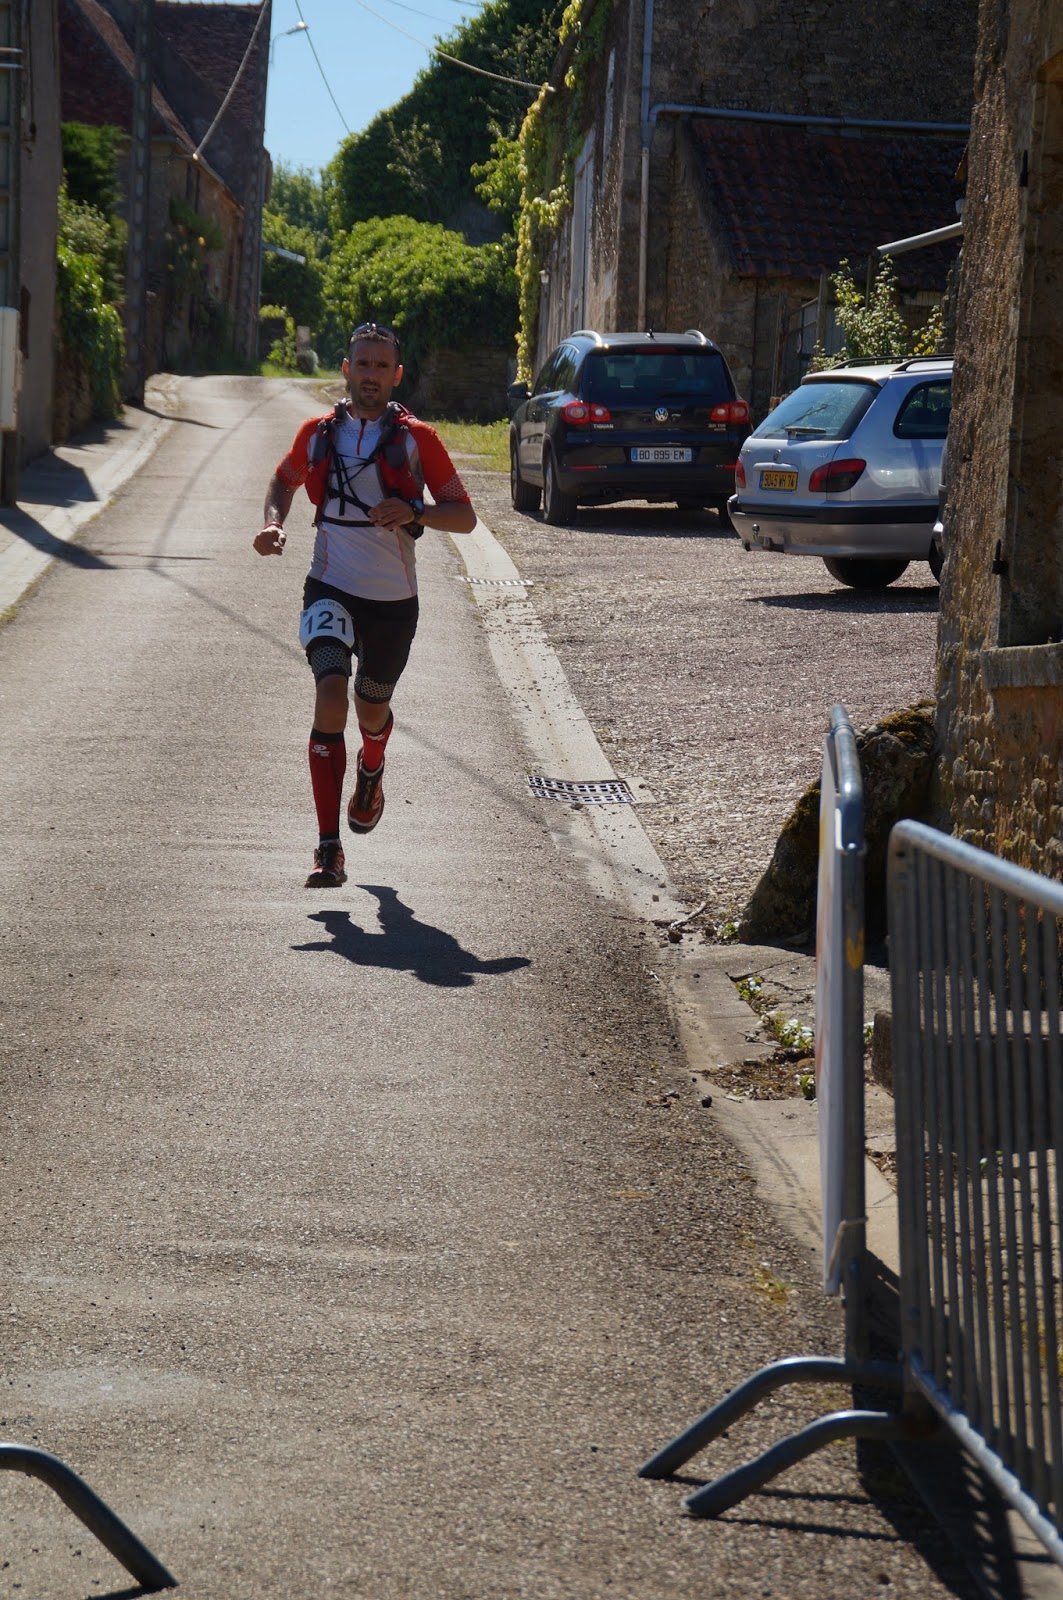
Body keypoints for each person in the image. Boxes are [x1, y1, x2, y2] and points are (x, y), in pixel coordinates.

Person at [254, 322, 477, 887]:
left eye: (382, 366)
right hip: (329, 585)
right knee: (330, 697)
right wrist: (273, 524)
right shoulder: (318, 433)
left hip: (392, 603)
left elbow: (464, 515)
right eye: (363, 364)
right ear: (346, 368)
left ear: (396, 375)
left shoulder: (416, 439)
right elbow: (283, 479)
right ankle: (329, 848)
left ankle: (371, 764)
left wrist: (416, 512)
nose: (371, 374)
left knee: (369, 708)